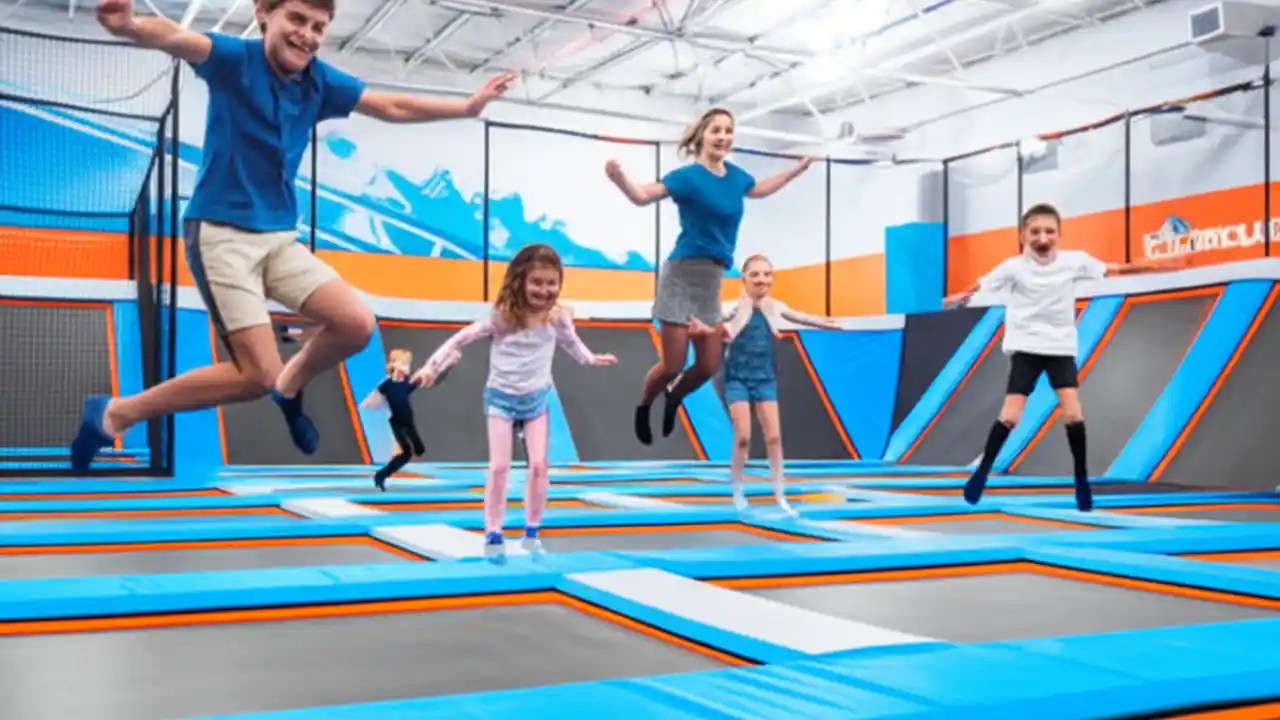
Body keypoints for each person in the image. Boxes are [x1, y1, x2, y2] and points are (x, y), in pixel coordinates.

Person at [69, 0, 515, 472]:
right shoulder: (234, 60)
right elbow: (179, 38)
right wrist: (130, 26)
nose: (307, 34)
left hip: (278, 238)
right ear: (264, 14)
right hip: (221, 235)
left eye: (319, 27)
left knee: (355, 324)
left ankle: (288, 388)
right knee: (253, 376)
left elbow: (388, 104)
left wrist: (467, 107)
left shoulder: (319, 81)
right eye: (297, 20)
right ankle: (115, 413)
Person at [945, 203, 1186, 512]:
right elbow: (981, 283)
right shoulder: (1013, 267)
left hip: (1059, 348)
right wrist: (961, 295)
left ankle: (1081, 481)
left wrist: (1158, 266)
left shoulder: (1075, 261)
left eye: (1049, 232)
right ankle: (981, 474)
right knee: (1010, 416)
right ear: (1023, 235)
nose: (1042, 238)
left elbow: (1113, 269)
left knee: (1073, 414)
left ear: (1058, 234)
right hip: (1026, 347)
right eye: (1035, 232)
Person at [604, 108, 812, 447]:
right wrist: (619, 179)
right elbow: (642, 197)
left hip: (712, 279)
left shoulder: (736, 176)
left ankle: (674, 399)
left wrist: (794, 172)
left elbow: (759, 189)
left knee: (707, 365)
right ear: (702, 135)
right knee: (671, 365)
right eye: (716, 130)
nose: (724, 137)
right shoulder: (687, 177)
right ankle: (645, 406)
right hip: (681, 275)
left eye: (729, 131)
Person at [411, 244, 617, 559]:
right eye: (536, 282)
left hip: (536, 399)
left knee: (538, 465)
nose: (544, 290)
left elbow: (572, 345)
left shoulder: (558, 318)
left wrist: (591, 359)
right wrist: (431, 366)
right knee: (499, 467)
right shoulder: (503, 317)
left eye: (551, 283)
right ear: (520, 281)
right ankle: (493, 530)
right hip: (500, 399)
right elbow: (460, 339)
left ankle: (532, 531)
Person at [709, 254, 840, 516]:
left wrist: (825, 323)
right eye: (755, 274)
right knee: (743, 437)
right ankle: (737, 491)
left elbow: (799, 316)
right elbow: (717, 317)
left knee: (774, 437)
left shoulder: (773, 306)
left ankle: (780, 494)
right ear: (744, 279)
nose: (762, 279)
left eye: (767, 274)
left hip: (765, 378)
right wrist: (719, 319)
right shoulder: (735, 307)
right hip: (737, 378)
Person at [359, 348, 441, 491]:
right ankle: (380, 476)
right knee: (407, 453)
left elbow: (418, 381)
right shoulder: (387, 385)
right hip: (397, 422)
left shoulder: (406, 384)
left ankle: (382, 474)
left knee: (419, 449)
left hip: (408, 422)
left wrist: (431, 372)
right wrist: (368, 403)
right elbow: (373, 398)